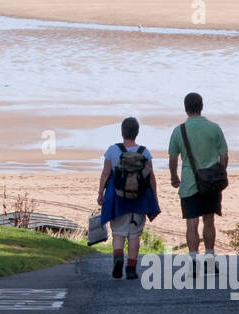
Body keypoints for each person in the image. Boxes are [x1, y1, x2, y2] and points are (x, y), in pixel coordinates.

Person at [167, 92, 228, 277]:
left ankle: (193, 261)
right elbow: (224, 156)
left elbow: (172, 158)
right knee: (209, 220)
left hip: (189, 182)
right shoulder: (214, 128)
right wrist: (219, 173)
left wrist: (173, 177)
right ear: (202, 106)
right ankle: (210, 260)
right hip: (211, 182)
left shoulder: (179, 131)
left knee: (191, 223)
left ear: (186, 108)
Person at [97, 116, 161, 280]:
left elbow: (105, 174)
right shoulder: (144, 152)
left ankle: (118, 257)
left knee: (118, 232)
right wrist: (154, 197)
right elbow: (151, 177)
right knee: (134, 234)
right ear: (137, 133)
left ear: (122, 132)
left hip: (117, 198)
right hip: (139, 199)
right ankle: (131, 268)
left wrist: (100, 193)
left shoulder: (113, 150)